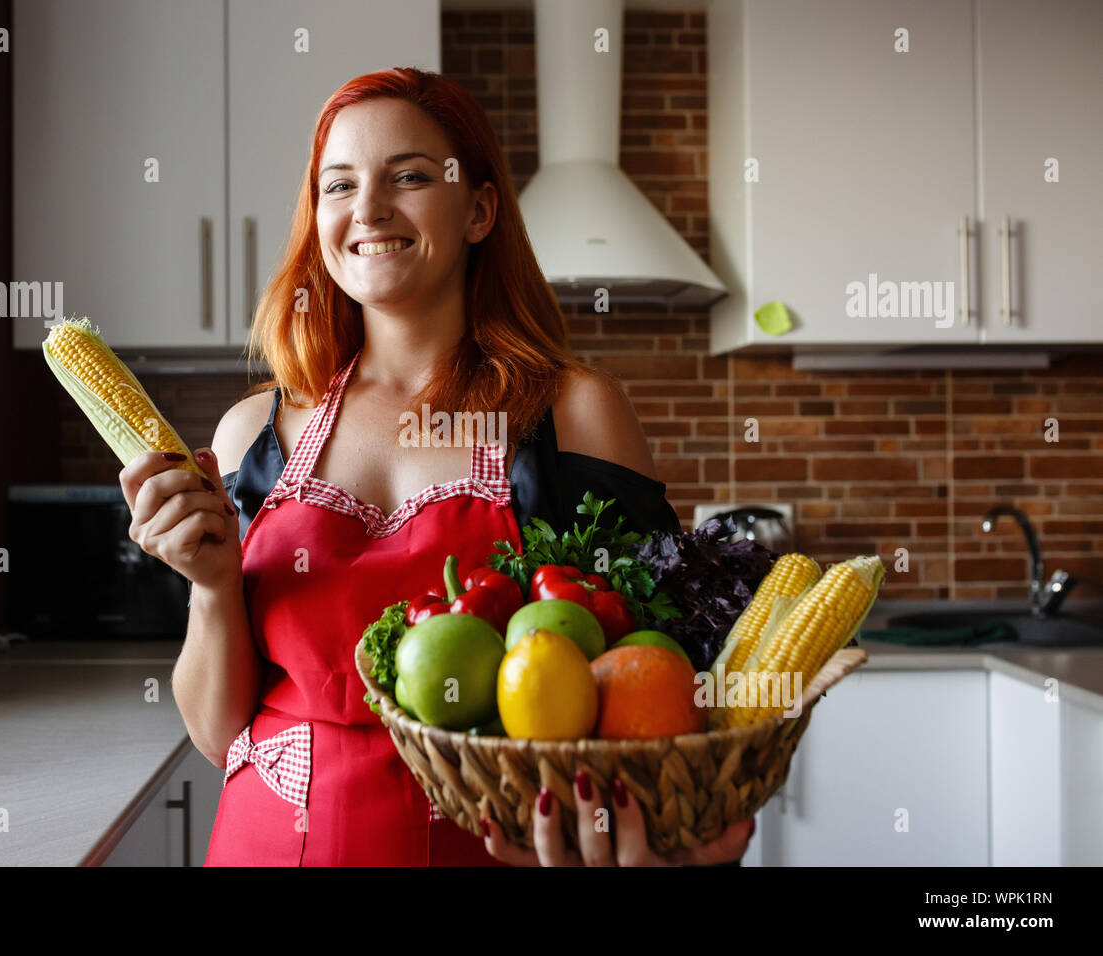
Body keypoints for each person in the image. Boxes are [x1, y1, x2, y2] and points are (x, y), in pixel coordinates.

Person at [119, 67, 754, 866]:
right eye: (338, 185)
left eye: (410, 177)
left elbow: (649, 686)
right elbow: (219, 735)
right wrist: (210, 585)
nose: (369, 210)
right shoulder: (253, 432)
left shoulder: (575, 413)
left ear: (480, 210)